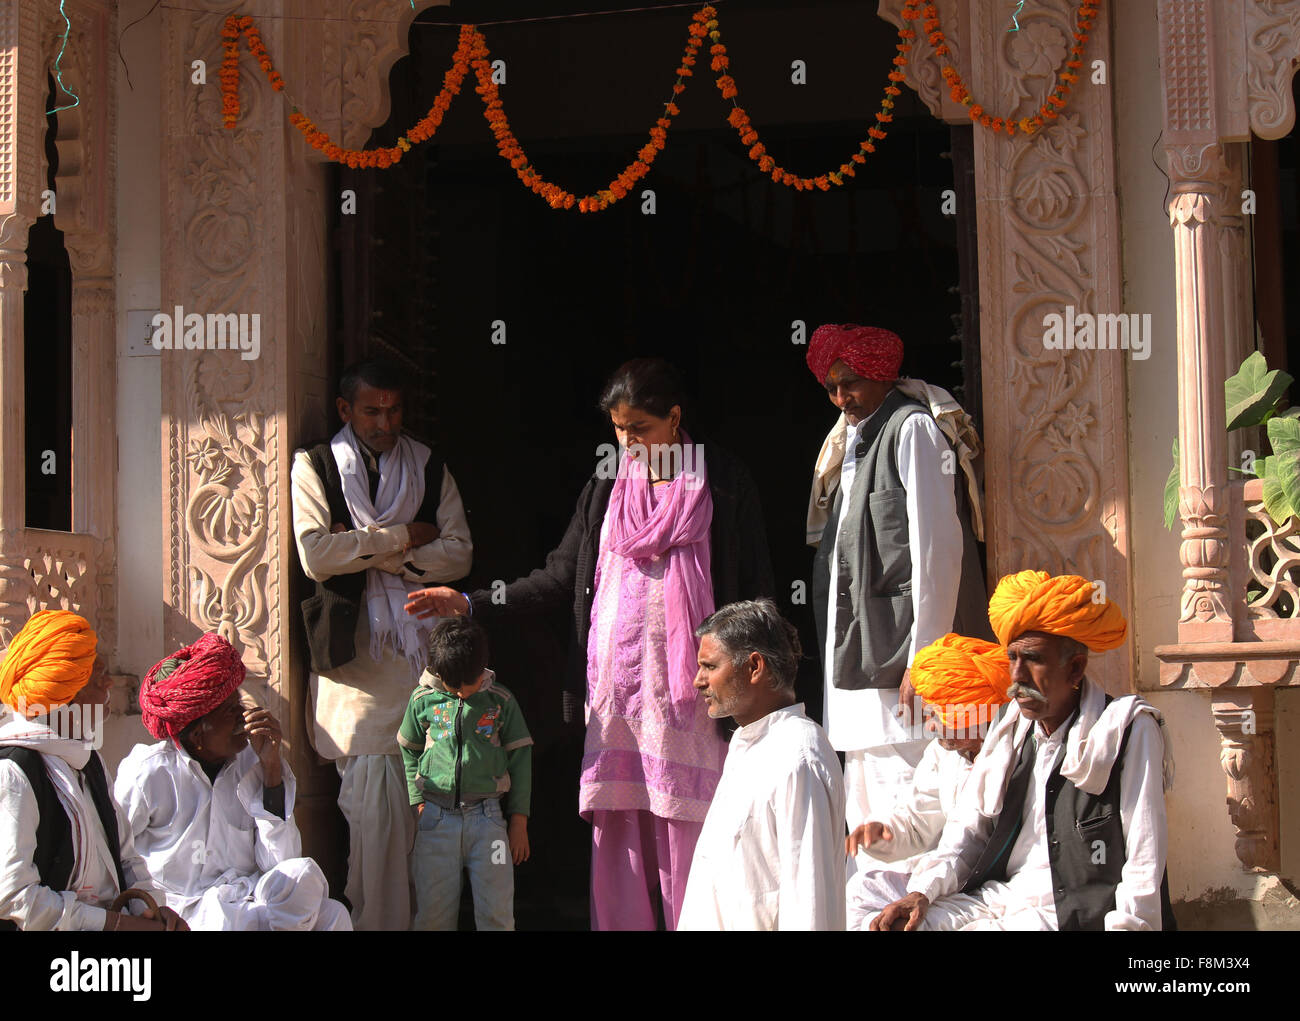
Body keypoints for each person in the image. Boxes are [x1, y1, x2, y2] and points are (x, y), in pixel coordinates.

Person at [405, 357, 774, 930]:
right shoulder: (605, 488)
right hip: (618, 704)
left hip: (695, 703)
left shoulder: (722, 484)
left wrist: (761, 696)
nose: (627, 442)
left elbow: (756, 595)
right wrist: (474, 602)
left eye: (640, 430)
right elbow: (557, 576)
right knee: (619, 840)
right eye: (619, 430)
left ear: (674, 419)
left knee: (695, 842)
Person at [869, 571, 1176, 931]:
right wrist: (921, 891)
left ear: (1075, 668)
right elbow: (969, 833)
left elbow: (1144, 860)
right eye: (1012, 658)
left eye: (1033, 659)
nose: (1017, 676)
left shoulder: (1128, 730)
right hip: (1002, 898)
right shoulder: (1010, 727)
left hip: (1071, 915)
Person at [291, 358, 473, 930]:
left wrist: (370, 549)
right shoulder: (315, 466)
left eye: (394, 410)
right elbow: (317, 556)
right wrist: (404, 539)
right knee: (373, 830)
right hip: (357, 679)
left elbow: (460, 554)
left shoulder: (429, 465)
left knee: (424, 829)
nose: (385, 421)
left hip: (420, 672)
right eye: (372, 410)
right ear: (346, 410)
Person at [805, 323, 991, 857]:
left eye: (852, 383)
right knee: (865, 829)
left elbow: (937, 547)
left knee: (913, 826)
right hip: (858, 681)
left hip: (905, 675)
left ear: (882, 374)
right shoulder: (851, 441)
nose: (841, 397)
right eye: (832, 387)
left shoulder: (913, 430)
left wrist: (926, 658)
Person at [115, 633, 350, 931]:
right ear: (198, 733)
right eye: (231, 710)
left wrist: (271, 769)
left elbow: (282, 861)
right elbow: (116, 853)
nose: (244, 716)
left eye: (239, 703)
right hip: (184, 912)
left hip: (248, 898)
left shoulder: (254, 761)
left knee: (328, 908)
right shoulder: (148, 773)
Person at [0, 610, 184, 931]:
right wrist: (114, 925)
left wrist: (149, 912)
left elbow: (125, 857)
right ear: (67, 694)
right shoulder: (15, 771)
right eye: (97, 674)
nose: (109, 682)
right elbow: (15, 897)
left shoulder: (88, 760)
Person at [677, 599, 845, 931]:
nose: (698, 680)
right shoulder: (751, 746)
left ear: (755, 667)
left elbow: (809, 903)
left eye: (710, 666)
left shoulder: (798, 757)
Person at [844, 632, 1009, 930]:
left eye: (939, 714)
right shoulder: (943, 754)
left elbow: (964, 842)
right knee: (861, 890)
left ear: (973, 711)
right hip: (944, 879)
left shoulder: (1007, 756)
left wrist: (923, 891)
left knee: (910, 924)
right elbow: (917, 821)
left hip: (993, 890)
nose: (931, 725)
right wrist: (885, 832)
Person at [399, 617, 532, 931]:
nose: (460, 693)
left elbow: (521, 756)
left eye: (466, 683)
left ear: (483, 667)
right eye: (451, 684)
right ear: (438, 672)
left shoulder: (500, 701)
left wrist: (519, 821)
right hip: (435, 823)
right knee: (432, 918)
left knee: (497, 915)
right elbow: (408, 748)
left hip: (490, 825)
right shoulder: (421, 700)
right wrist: (418, 802)